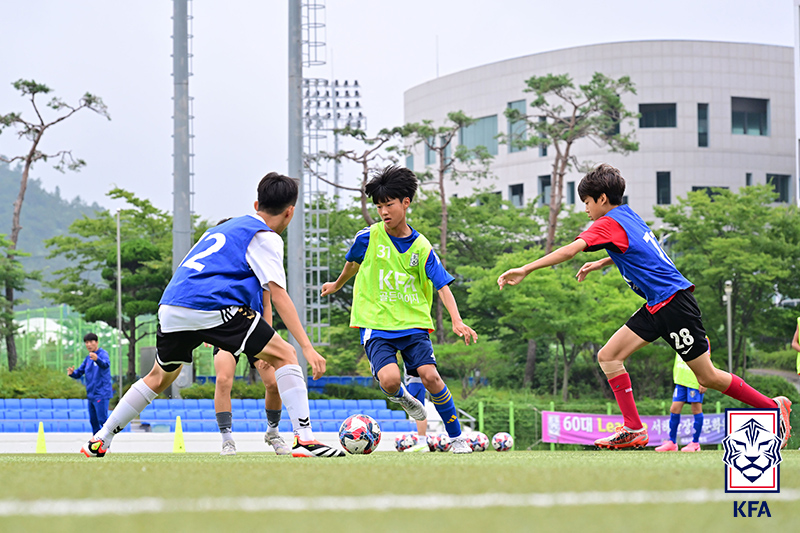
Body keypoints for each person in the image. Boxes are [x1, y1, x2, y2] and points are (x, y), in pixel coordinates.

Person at [497, 163, 792, 450]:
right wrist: (601, 261)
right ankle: (634, 429)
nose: (585, 208)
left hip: (674, 303)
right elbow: (638, 248)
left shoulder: (607, 223)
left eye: (587, 201)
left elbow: (569, 251)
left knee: (707, 376)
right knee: (609, 356)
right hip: (657, 305)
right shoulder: (628, 216)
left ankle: (774, 406)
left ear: (602, 199)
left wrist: (525, 269)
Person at [81, 172, 344, 458]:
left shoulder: (223, 229)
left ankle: (101, 438)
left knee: (159, 377)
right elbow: (278, 295)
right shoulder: (265, 236)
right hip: (212, 306)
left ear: (257, 203)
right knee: (287, 355)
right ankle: (304, 439)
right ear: (290, 212)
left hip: (171, 306)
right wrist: (307, 347)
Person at [321, 165, 478, 454]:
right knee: (391, 381)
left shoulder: (422, 247)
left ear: (406, 202)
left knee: (431, 377)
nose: (383, 211)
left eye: (389, 204)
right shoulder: (367, 237)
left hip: (413, 323)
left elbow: (442, 285)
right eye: (379, 206)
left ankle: (456, 439)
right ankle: (402, 395)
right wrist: (338, 283)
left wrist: (457, 320)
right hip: (376, 322)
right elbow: (353, 263)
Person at [215, 293, 289, 456]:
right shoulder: (223, 271)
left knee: (273, 383)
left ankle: (273, 432)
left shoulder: (259, 270)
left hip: (255, 330)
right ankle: (227, 440)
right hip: (227, 330)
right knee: (223, 379)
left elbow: (267, 304)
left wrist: (268, 340)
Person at [655, 338, 711, 452]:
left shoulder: (702, 337)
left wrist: (705, 380)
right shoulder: (679, 334)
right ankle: (672, 442)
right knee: (674, 409)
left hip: (694, 381)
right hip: (681, 380)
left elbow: (707, 359)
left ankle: (695, 443)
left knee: (696, 410)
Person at [67, 333, 114, 434]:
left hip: (101, 394)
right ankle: (96, 446)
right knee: (93, 421)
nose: (88, 345)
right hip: (91, 395)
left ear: (96, 342)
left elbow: (106, 364)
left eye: (91, 342)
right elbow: (79, 372)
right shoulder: (88, 359)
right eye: (86, 342)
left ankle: (107, 445)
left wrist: (97, 359)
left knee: (103, 420)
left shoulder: (102, 354)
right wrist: (72, 373)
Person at [403, 372, 430, 452]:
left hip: (415, 381)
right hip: (411, 381)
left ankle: (422, 444)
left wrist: (415, 371)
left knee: (419, 412)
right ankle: (422, 443)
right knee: (416, 411)